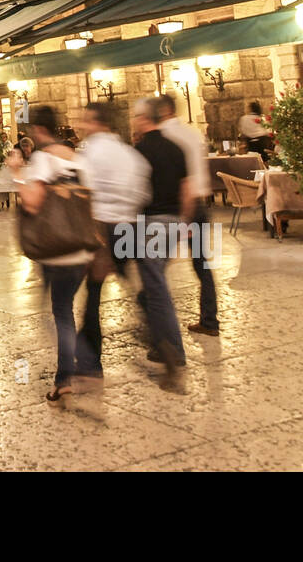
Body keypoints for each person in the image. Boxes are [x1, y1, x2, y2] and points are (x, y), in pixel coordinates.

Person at [7, 104, 97, 401]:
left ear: (38, 130)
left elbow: (32, 203)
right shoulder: (78, 159)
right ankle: (80, 365)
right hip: (81, 248)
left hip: (57, 249)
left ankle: (65, 376)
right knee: (63, 308)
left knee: (60, 314)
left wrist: (17, 173)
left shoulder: (45, 158)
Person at [73, 104, 152, 379]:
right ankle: (156, 333)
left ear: (97, 123)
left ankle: (90, 360)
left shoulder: (90, 153)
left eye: (85, 121)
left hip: (102, 228)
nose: (82, 126)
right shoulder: (131, 154)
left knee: (94, 291)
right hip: (128, 225)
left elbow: (84, 192)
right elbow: (143, 193)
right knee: (131, 279)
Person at [130, 97, 192, 387]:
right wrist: (185, 222)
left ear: (144, 120)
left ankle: (174, 350)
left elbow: (136, 194)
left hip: (150, 225)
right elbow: (187, 190)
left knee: (156, 289)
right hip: (173, 222)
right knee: (152, 285)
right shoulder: (176, 149)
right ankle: (159, 341)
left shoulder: (139, 151)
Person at [157, 93, 219, 337]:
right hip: (199, 206)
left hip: (176, 209)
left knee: (155, 268)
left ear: (163, 112)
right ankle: (209, 321)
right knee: (202, 265)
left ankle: (162, 333)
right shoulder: (193, 133)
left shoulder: (163, 137)